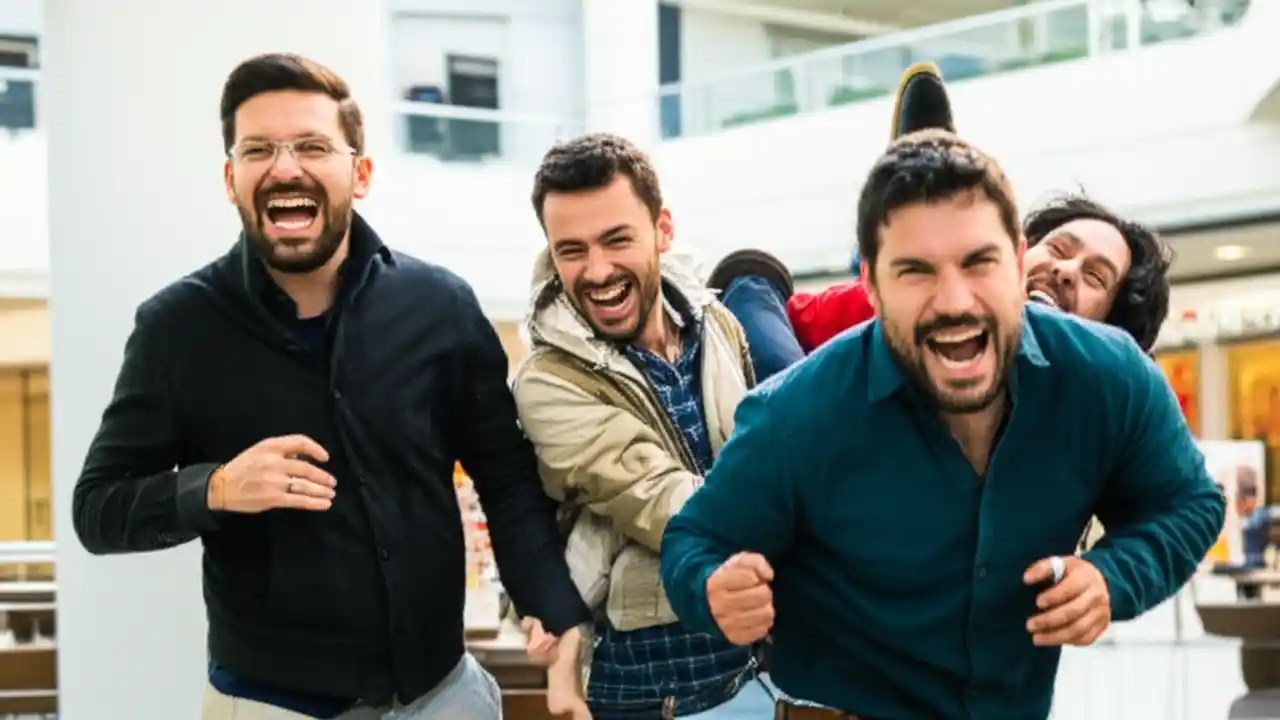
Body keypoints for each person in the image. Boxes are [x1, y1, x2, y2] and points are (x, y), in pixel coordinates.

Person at [71, 53, 588, 719]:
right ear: (232, 179)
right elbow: (98, 509)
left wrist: (552, 608)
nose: (286, 167)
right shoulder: (176, 328)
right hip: (269, 704)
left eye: (313, 146)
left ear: (360, 172)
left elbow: (508, 480)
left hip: (441, 694)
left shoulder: (442, 308)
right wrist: (218, 487)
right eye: (259, 149)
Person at [659, 129, 1225, 719]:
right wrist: (711, 590)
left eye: (979, 262)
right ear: (872, 286)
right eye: (916, 271)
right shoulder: (794, 415)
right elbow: (693, 544)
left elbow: (1190, 503)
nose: (954, 300)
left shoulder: (1110, 378)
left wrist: (1114, 577)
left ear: (1015, 258)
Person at [510, 133, 772, 719]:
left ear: (663, 229)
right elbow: (657, 496)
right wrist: (796, 527)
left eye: (617, 239)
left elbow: (760, 449)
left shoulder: (717, 324)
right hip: (648, 694)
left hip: (752, 673)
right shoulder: (547, 382)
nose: (597, 271)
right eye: (571, 250)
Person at [709, 64, 1174, 382]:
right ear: (1017, 253)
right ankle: (922, 187)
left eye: (1094, 276)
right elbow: (757, 304)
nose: (1066, 269)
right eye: (1057, 247)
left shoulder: (1111, 396)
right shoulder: (910, 303)